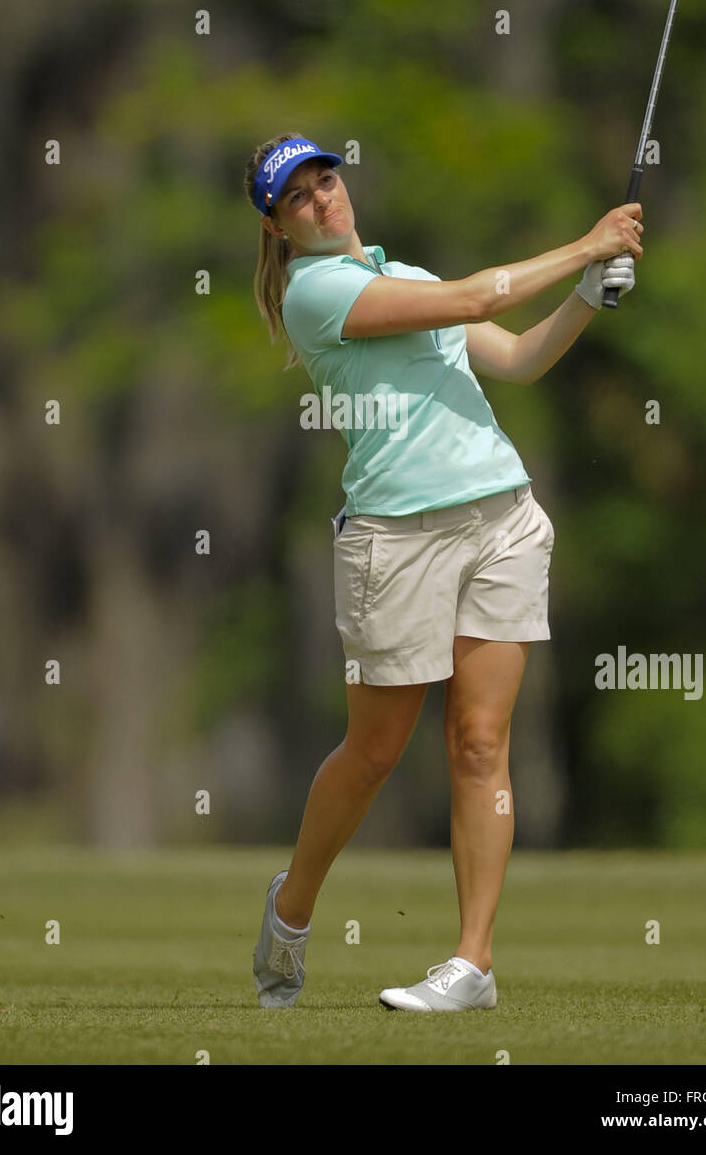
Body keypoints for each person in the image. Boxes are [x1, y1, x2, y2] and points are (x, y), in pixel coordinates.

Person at [245, 132, 642, 1011]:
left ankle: (474, 964)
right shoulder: (319, 294)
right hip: (396, 540)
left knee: (480, 741)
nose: (323, 199)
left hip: (501, 519)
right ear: (278, 227)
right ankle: (294, 907)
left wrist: (584, 294)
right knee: (374, 752)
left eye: (327, 179)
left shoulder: (410, 279)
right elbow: (480, 294)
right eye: (300, 197)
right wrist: (589, 244)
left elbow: (520, 359)